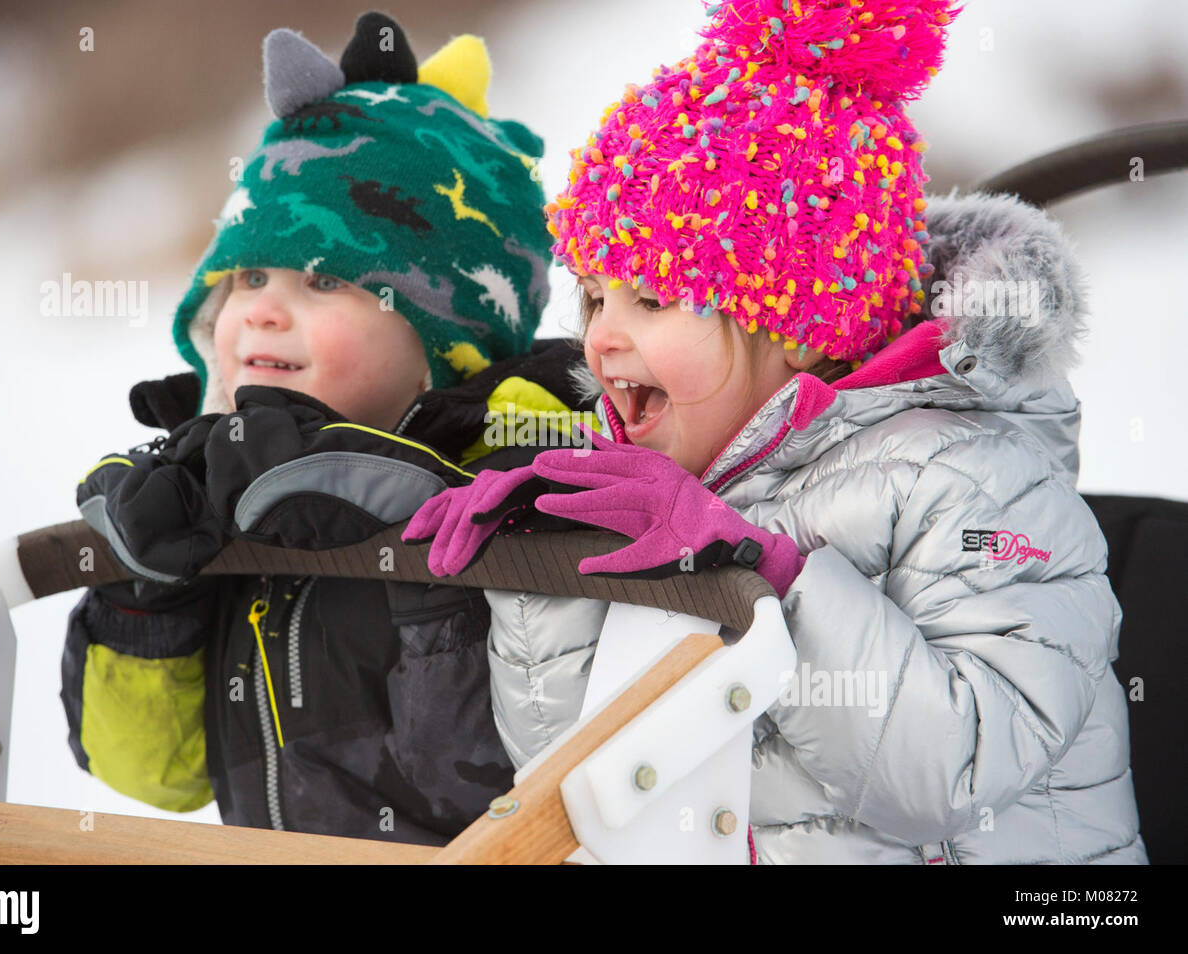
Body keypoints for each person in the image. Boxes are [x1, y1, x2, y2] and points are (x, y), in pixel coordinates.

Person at [403, 0, 1147, 863]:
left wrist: (769, 578)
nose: (601, 337)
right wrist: (549, 566)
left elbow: (958, 770)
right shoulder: (669, 482)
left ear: (797, 325)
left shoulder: (972, 479)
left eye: (652, 297)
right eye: (595, 297)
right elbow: (577, 786)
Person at [61, 11, 595, 846]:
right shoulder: (216, 487)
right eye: (249, 276)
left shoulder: (525, 483)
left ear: (445, 342)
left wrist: (404, 534)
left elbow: (493, 795)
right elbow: (154, 772)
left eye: (321, 281)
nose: (262, 311)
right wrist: (148, 596)